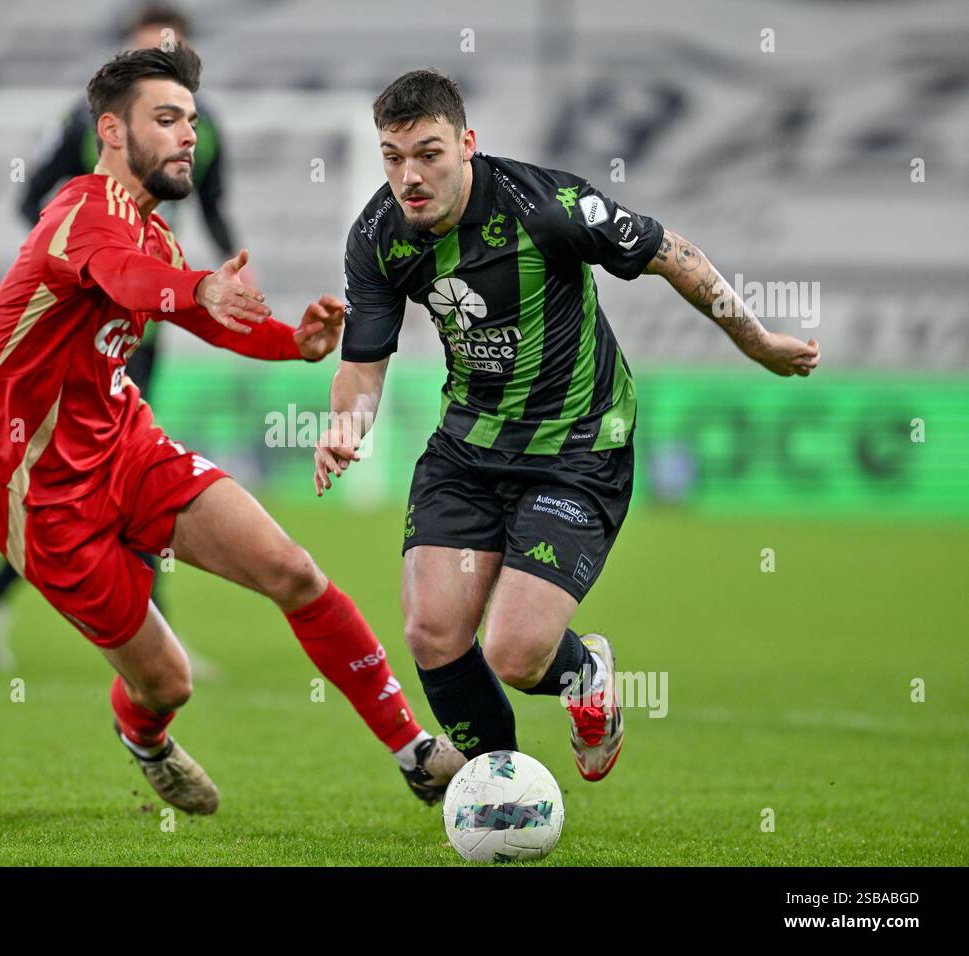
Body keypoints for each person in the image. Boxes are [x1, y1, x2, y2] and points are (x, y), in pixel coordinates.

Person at [0, 47, 464, 813]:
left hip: (125, 446)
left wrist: (290, 343)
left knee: (293, 571)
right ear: (111, 130)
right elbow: (134, 284)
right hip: (41, 494)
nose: (187, 137)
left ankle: (414, 752)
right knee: (168, 683)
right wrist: (198, 284)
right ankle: (145, 736)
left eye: (192, 121)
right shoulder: (79, 216)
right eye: (165, 120)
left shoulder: (153, 233)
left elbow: (200, 313)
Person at [315, 69, 820, 782]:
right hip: (467, 449)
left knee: (515, 654)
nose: (410, 176)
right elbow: (364, 367)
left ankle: (589, 678)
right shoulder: (378, 235)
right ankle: (496, 785)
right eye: (393, 157)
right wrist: (347, 427)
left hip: (577, 450)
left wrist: (757, 340)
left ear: (467, 144)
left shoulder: (545, 205)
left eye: (428, 153)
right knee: (433, 632)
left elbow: (670, 253)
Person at [0, 4, 240, 668]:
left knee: (122, 477)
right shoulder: (87, 129)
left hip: (141, 325)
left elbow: (217, 207)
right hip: (81, 329)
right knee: (111, 482)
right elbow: (29, 200)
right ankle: (155, 638)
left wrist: (227, 275)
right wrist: (83, 253)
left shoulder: (207, 131)